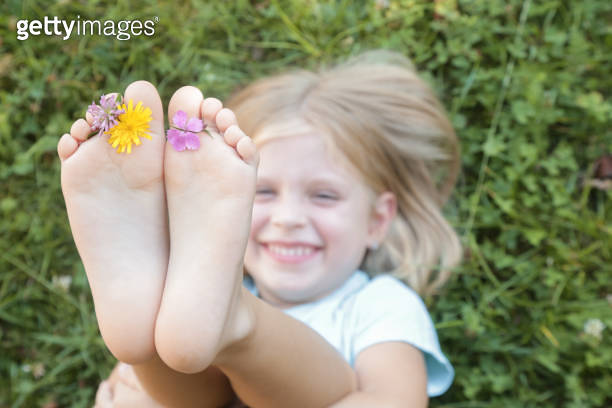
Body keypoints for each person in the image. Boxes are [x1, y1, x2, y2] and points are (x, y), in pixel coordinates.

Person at [58, 49, 462, 407]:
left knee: (207, 343)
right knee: (170, 366)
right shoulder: (196, 294)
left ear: (377, 221)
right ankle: (153, 321)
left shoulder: (379, 305)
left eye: (324, 196)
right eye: (263, 192)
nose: (288, 219)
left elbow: (393, 401)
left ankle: (236, 323)